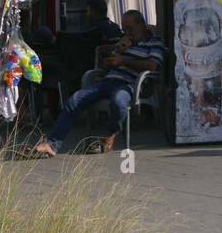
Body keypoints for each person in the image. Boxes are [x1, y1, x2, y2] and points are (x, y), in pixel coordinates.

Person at [28, 10, 164, 157]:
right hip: (107, 81)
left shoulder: (155, 43)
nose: (127, 33)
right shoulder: (125, 43)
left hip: (128, 84)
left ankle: (110, 136)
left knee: (118, 102)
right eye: (125, 30)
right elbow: (104, 66)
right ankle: (52, 145)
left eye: (129, 28)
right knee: (74, 100)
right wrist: (116, 53)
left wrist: (123, 61)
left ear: (141, 25)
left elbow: (152, 66)